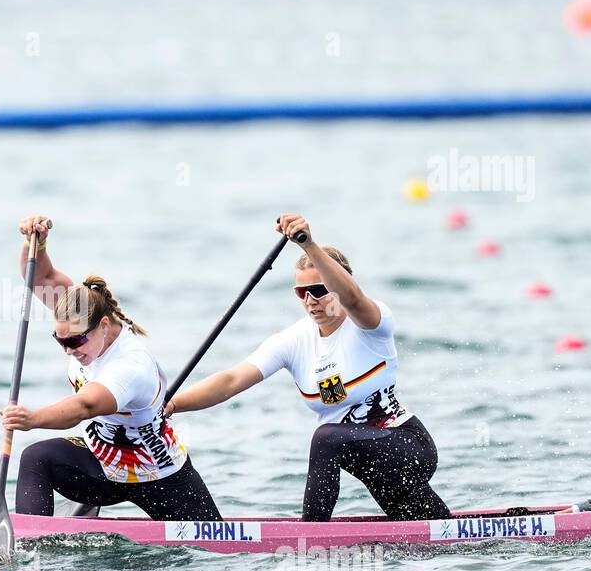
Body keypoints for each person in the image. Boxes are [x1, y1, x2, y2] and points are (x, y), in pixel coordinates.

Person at [167, 213, 451, 522]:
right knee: (431, 532)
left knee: (325, 437)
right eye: (302, 293)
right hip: (366, 460)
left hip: (407, 446)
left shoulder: (370, 324)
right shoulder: (294, 340)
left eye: (318, 290)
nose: (311, 301)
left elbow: (353, 299)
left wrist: (309, 245)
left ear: (339, 284)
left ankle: (310, 534)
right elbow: (232, 379)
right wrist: (172, 405)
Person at [0, 215, 222, 521]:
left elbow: (84, 405)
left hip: (158, 474)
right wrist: (35, 242)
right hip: (101, 467)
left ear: (103, 326)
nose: (69, 350)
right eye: (59, 340)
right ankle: (32, 541)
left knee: (212, 543)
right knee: (36, 457)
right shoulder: (78, 310)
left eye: (76, 341)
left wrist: (32, 418)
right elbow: (40, 278)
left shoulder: (131, 363)